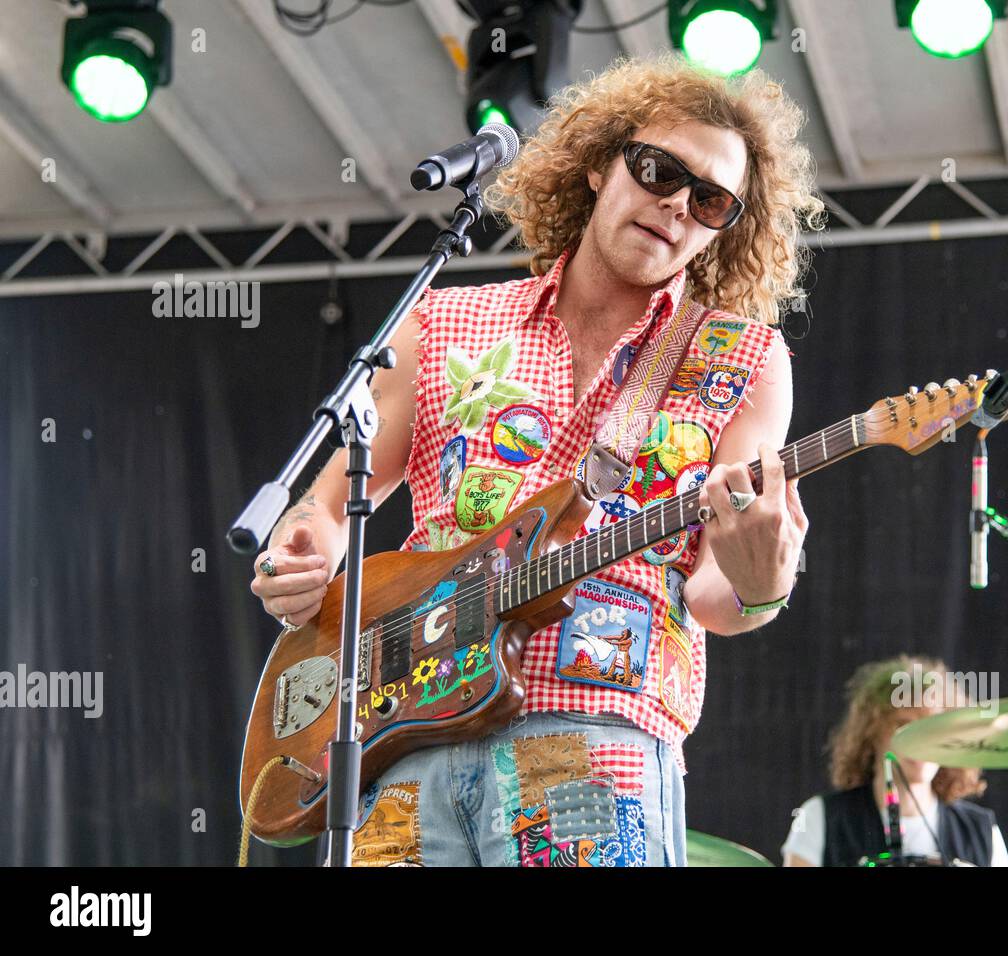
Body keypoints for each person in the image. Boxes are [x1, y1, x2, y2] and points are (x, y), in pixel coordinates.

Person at [249, 53, 824, 866]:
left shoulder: (740, 359)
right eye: (659, 170)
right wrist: (303, 543)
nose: (675, 205)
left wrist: (761, 585)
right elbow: (332, 503)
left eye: (711, 200)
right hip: (404, 742)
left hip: (597, 740)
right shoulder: (442, 324)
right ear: (598, 165)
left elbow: (714, 597)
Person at [783, 655, 1008, 867]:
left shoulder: (980, 829)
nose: (918, 740)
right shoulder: (820, 816)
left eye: (930, 727)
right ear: (872, 732)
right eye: (903, 726)